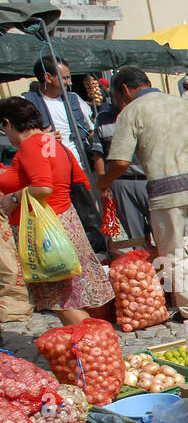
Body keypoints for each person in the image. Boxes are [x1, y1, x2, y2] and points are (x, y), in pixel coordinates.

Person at [101, 68, 188, 321]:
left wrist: (102, 182)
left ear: (126, 90)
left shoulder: (130, 112)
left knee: (173, 253)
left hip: (165, 192)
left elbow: (119, 162)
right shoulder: (181, 104)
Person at [0, 98, 113, 325]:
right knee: (69, 298)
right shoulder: (51, 143)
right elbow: (81, 181)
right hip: (65, 222)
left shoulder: (31, 146)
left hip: (46, 234)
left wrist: (12, 198)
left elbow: (42, 187)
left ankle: (93, 349)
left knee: (61, 301)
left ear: (7, 123)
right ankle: (93, 347)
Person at [23, 56, 102, 180]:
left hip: (83, 169)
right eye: (65, 78)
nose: (70, 83)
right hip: (53, 175)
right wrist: (39, 138)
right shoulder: (26, 103)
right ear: (48, 77)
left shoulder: (74, 99)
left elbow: (90, 131)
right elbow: (16, 139)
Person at [94, 93, 151, 244]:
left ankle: (168, 265)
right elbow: (98, 153)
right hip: (121, 182)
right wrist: (102, 181)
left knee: (164, 233)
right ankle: (142, 264)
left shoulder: (146, 112)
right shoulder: (104, 118)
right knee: (135, 237)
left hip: (151, 179)